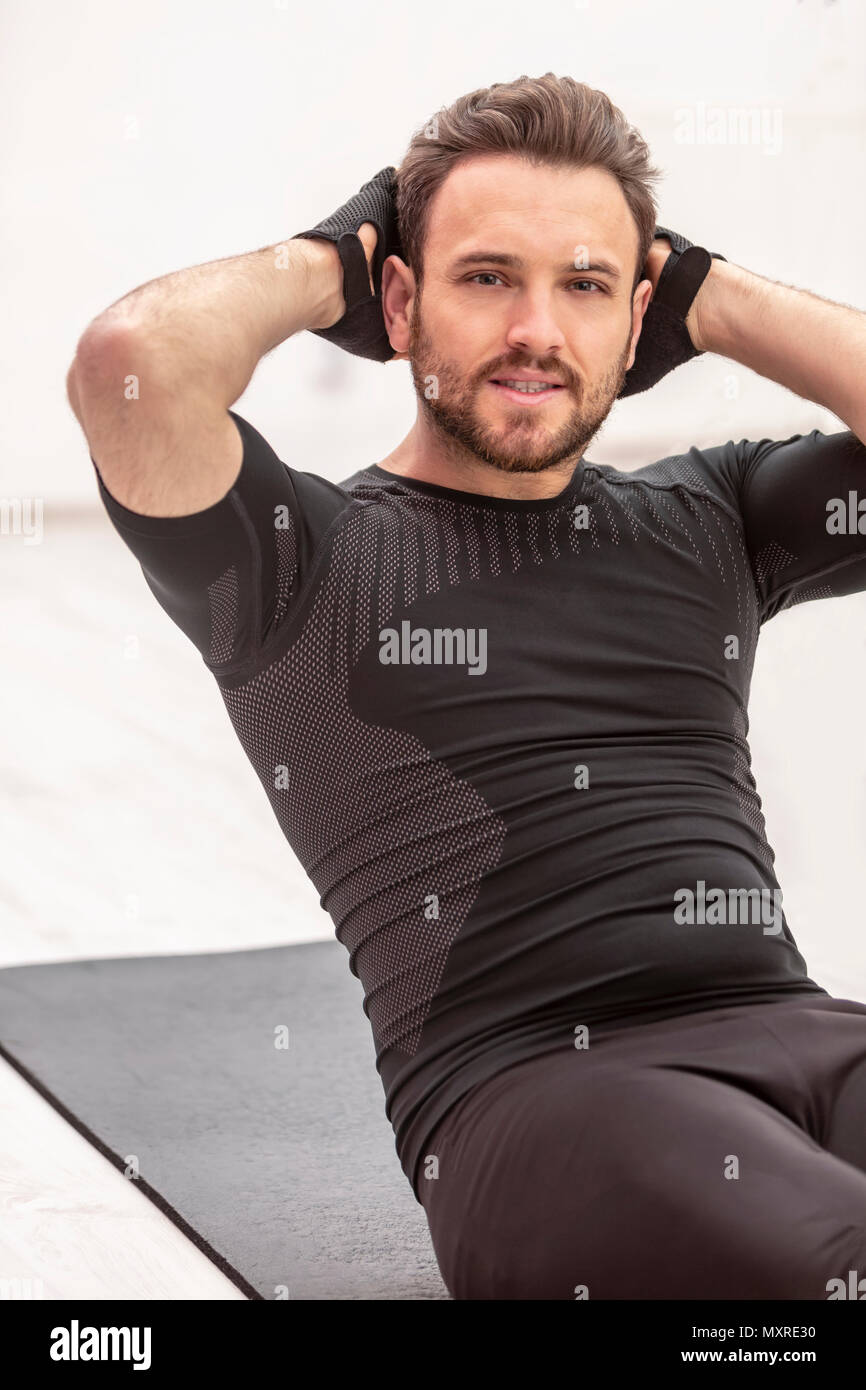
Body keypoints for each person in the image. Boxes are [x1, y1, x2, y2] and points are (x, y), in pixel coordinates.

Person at [65, 72, 866, 1300]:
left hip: (807, 1029)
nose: (536, 330)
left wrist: (710, 297)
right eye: (487, 277)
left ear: (638, 316)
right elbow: (133, 367)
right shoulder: (299, 564)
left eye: (585, 286)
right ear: (401, 297)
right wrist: (328, 261)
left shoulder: (711, 514)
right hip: (545, 1099)